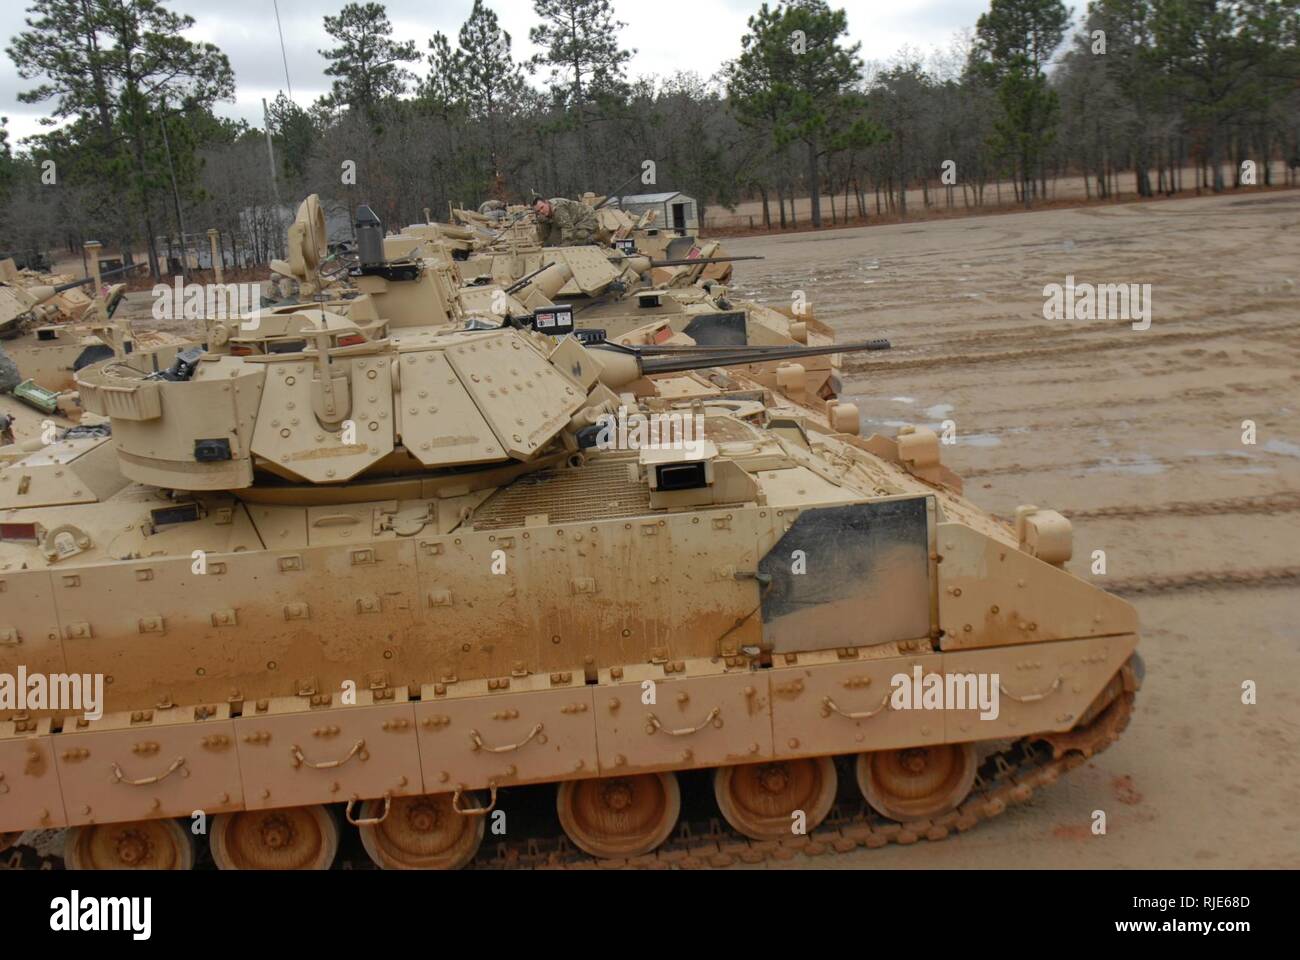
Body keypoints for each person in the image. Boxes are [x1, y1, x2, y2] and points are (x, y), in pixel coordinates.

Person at [532, 197, 599, 247]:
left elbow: (567, 228)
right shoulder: (543, 214)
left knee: (577, 237)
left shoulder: (559, 209)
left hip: (586, 217)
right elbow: (545, 228)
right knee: (553, 242)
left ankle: (598, 237)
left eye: (542, 207)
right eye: (538, 211)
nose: (541, 211)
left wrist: (565, 246)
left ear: (546, 202)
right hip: (570, 220)